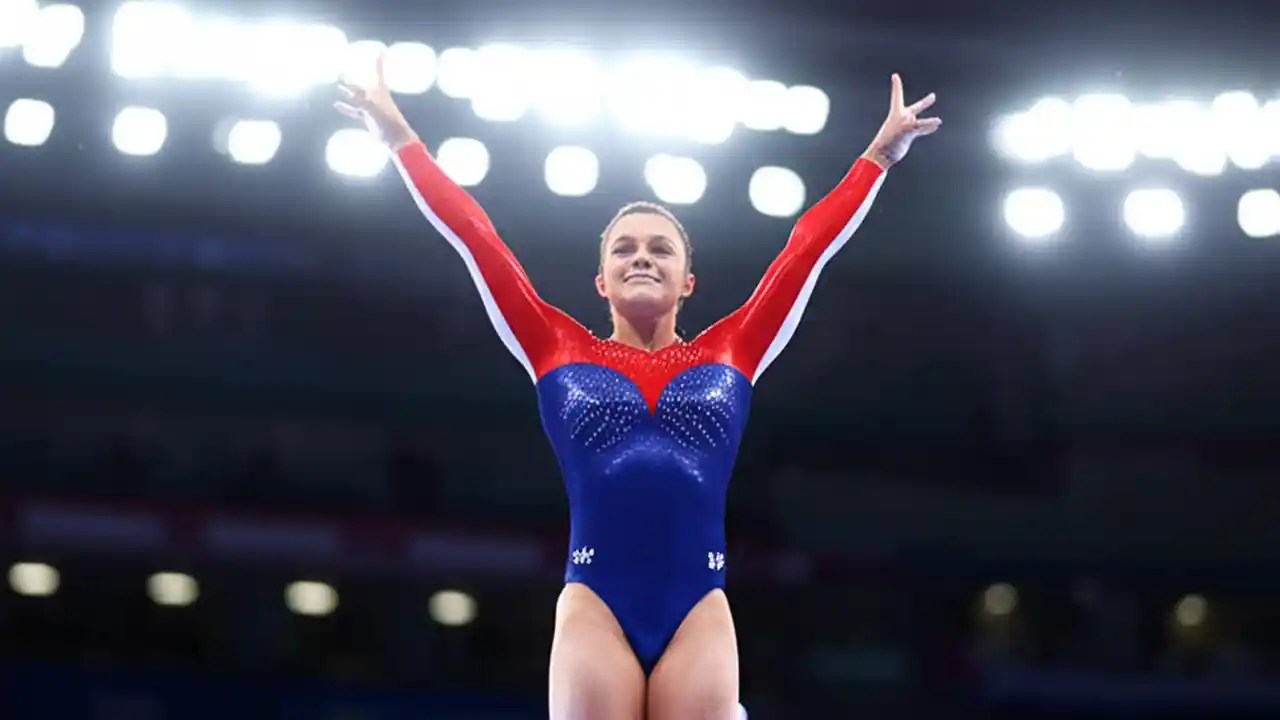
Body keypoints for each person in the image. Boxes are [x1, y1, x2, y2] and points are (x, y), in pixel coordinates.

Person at [336, 57, 940, 720]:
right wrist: (400, 139)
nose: (642, 256)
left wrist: (878, 155)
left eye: (661, 248)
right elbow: (478, 239)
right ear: (602, 282)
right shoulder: (553, 346)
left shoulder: (735, 349)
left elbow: (804, 251)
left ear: (688, 281)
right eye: (623, 249)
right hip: (596, 599)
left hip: (697, 605)